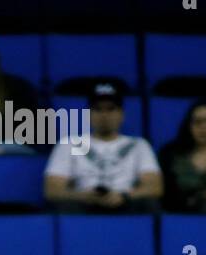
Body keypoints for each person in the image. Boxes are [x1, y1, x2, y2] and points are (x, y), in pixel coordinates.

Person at [44, 82, 162, 212]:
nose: (104, 115)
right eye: (98, 109)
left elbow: (154, 186)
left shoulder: (139, 145)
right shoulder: (69, 143)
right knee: (63, 207)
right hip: (83, 204)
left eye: (111, 109)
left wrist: (124, 196)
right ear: (88, 114)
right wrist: (83, 196)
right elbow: (52, 190)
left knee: (149, 205)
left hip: (125, 202)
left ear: (121, 114)